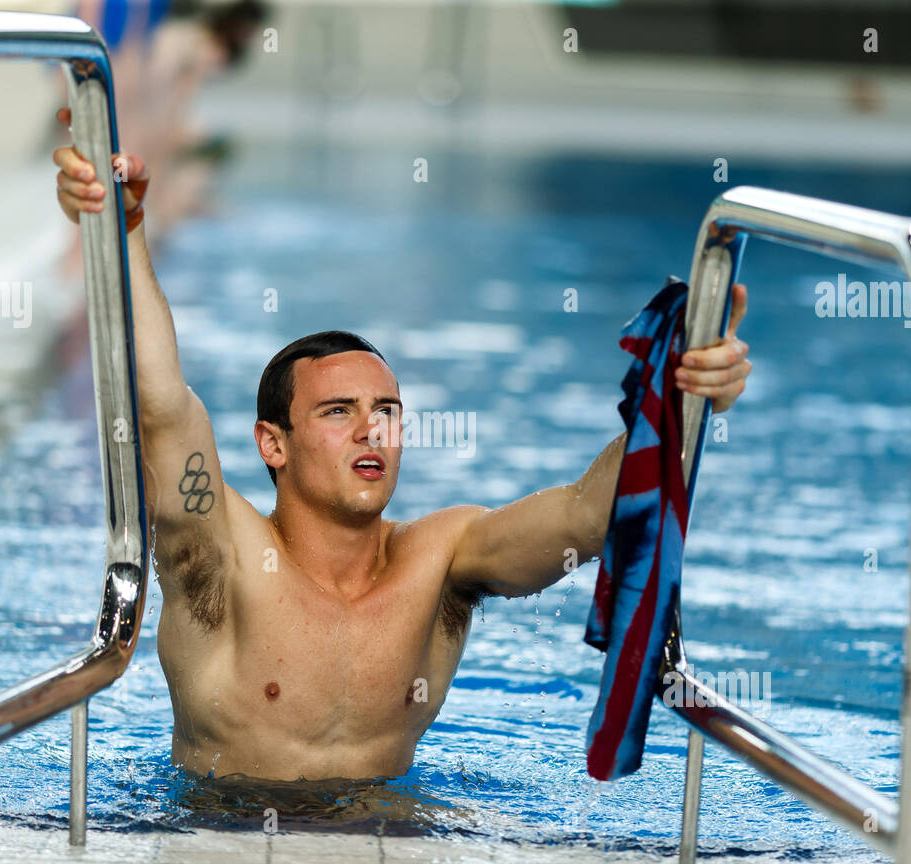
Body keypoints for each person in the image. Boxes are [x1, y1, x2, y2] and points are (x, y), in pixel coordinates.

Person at [52, 125, 753, 782]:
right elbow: (160, 407)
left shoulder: (442, 559)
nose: (372, 432)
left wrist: (684, 392)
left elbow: (586, 518)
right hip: (221, 832)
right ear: (274, 444)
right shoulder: (224, 551)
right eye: (338, 413)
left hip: (392, 830)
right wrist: (125, 234)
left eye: (386, 413)